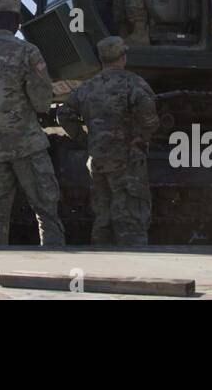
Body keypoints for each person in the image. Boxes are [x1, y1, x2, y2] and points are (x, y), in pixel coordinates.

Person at [0, 0, 66, 247]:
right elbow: (42, 101)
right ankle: (54, 267)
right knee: (47, 213)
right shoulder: (28, 52)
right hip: (27, 146)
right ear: (18, 22)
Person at [57, 36, 159, 246]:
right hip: (127, 160)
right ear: (123, 57)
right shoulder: (134, 83)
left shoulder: (88, 87)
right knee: (130, 215)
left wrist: (84, 138)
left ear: (101, 59)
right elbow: (150, 117)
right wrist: (141, 138)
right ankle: (133, 264)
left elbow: (64, 114)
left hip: (98, 160)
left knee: (102, 216)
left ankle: (102, 262)